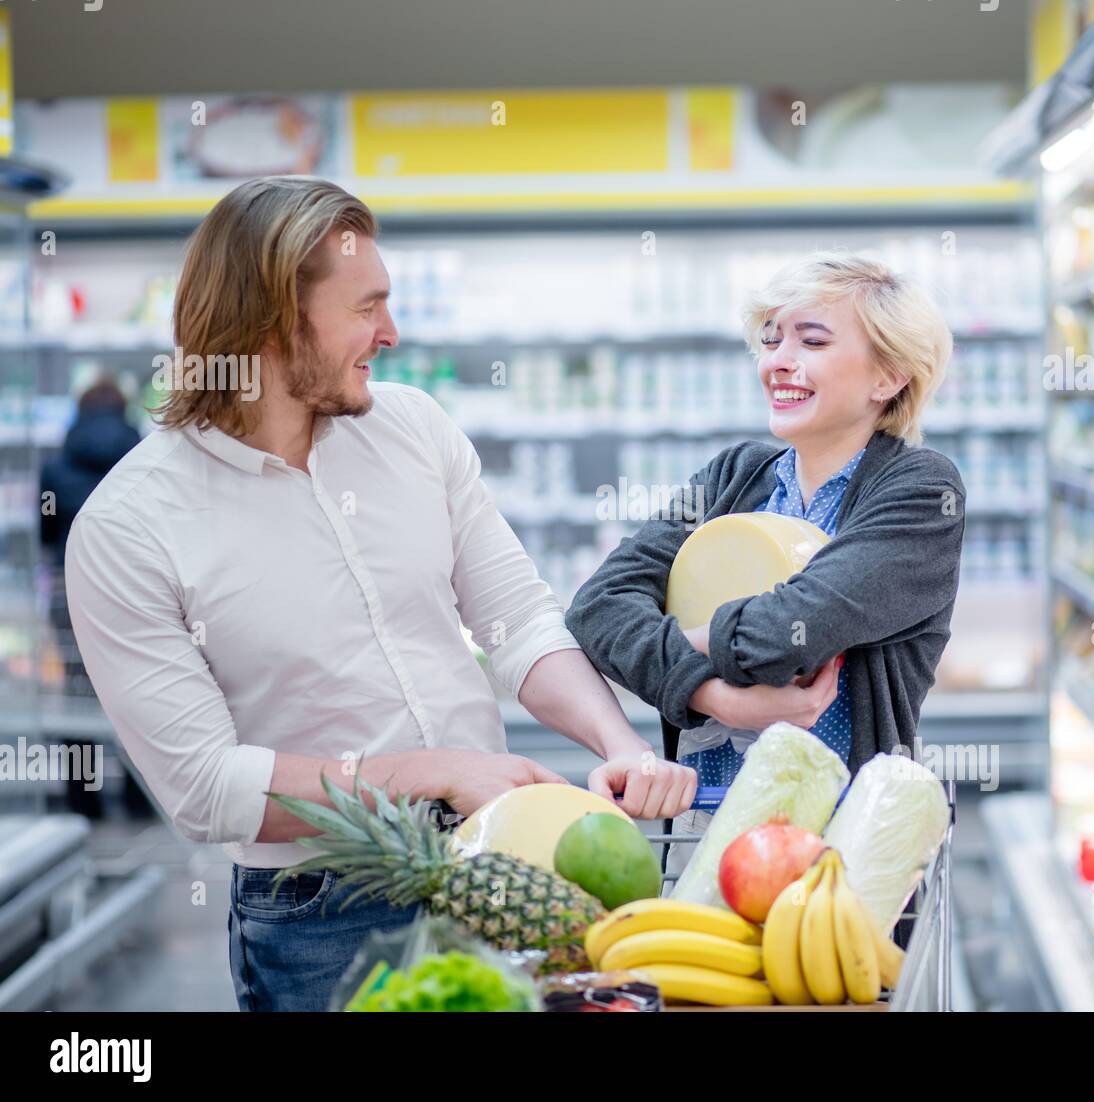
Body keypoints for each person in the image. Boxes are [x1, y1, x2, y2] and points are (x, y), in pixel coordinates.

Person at [64, 177, 697, 1012]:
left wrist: (619, 742)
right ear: (274, 320)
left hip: (496, 862)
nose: (390, 334)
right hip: (321, 917)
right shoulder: (128, 528)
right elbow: (210, 789)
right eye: (367, 308)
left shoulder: (414, 430)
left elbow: (516, 621)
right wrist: (436, 772)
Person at [565, 252, 965, 925]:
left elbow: (788, 630)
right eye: (772, 338)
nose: (778, 359)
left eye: (811, 341)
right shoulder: (736, 476)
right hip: (700, 837)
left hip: (841, 865)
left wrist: (673, 644)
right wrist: (708, 692)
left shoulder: (921, 490)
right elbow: (598, 608)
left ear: (889, 375)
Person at [38, 379, 150, 819]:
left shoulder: (54, 468)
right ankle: (140, 799)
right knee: (138, 690)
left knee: (77, 698)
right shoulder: (141, 460)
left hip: (71, 595)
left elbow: (48, 536)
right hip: (131, 592)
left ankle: (84, 802)